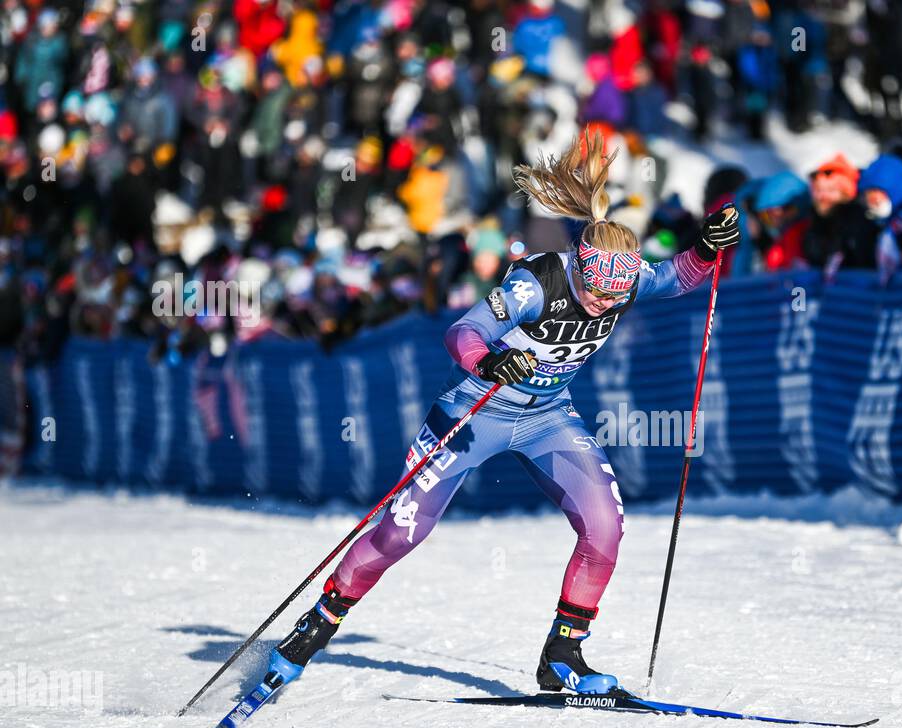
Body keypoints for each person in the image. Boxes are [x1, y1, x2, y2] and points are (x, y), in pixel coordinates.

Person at [265, 131, 741, 695]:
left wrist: (706, 249)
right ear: (580, 265)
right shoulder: (535, 280)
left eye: (616, 298)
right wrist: (489, 361)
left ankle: (563, 657)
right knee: (400, 533)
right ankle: (314, 627)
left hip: (547, 416)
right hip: (473, 414)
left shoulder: (624, 277)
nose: (603, 304)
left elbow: (676, 278)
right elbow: (463, 330)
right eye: (594, 291)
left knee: (605, 527)